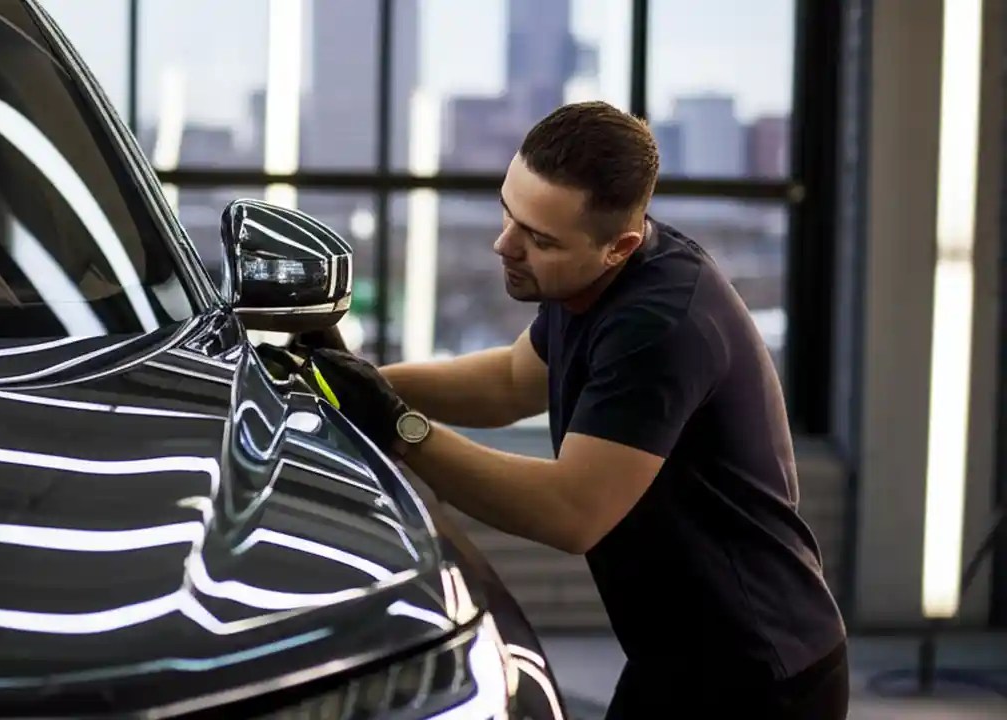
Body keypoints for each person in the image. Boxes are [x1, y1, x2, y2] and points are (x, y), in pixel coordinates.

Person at [294, 102, 850, 719]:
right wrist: (357, 382)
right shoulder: (585, 278)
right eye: (509, 213)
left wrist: (397, 427)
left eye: (539, 239)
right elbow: (510, 382)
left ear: (620, 246)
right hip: (675, 656)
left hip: (757, 672)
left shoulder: (659, 325)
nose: (505, 245)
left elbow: (571, 512)